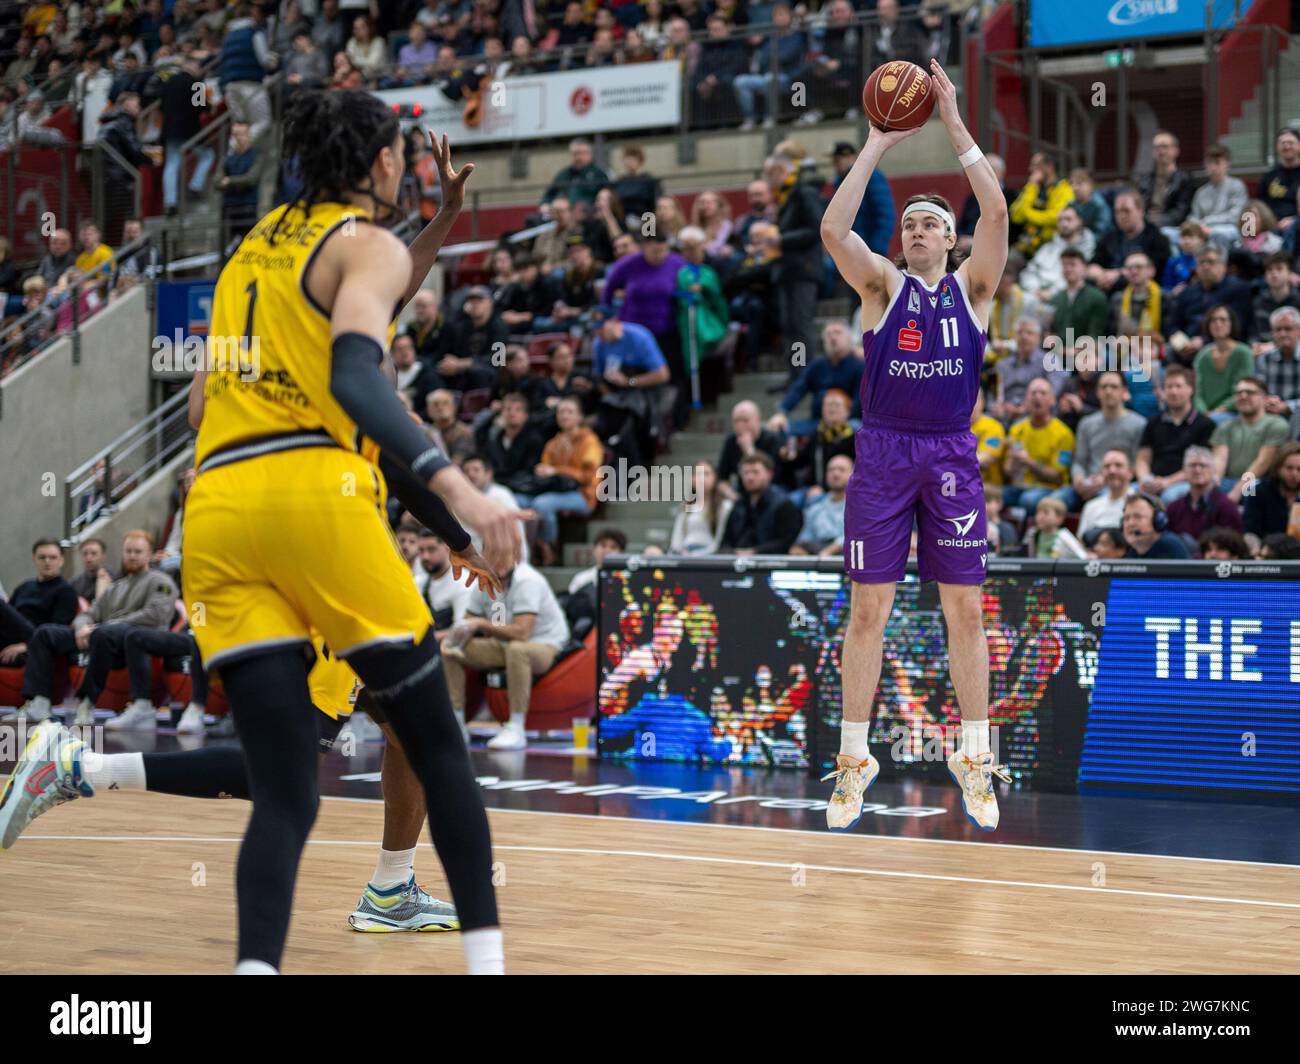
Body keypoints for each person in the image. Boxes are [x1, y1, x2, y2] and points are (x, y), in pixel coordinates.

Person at [164, 91, 519, 975]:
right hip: (318, 497)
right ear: (383, 163)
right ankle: (479, 957)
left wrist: (435, 225)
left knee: (283, 789)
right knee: (437, 741)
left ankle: (272, 958)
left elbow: (365, 287)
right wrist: (459, 497)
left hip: (216, 506)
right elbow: (362, 365)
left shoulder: (254, 248)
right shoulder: (361, 245)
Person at [821, 60, 1012, 830]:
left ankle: (973, 752)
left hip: (951, 455)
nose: (918, 230)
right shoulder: (880, 289)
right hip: (885, 454)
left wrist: (955, 126)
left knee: (965, 610)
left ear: (951, 238)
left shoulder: (974, 289)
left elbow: (996, 216)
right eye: (909, 225)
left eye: (931, 222)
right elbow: (835, 230)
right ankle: (853, 759)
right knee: (869, 611)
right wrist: (875, 141)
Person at [9, 530, 177, 727]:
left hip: (139, 639)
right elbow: (89, 613)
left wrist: (100, 627)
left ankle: (87, 703)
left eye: (138, 551)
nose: (132, 555)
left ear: (149, 555)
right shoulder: (117, 586)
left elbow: (154, 615)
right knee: (46, 632)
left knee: (102, 634)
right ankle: (39, 702)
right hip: (103, 636)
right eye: (128, 551)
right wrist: (82, 627)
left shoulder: (161, 582)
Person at [442, 559, 571, 751]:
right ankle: (457, 723)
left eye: (504, 554)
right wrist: (453, 638)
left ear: (515, 556)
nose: (499, 560)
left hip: (545, 645)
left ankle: (516, 727)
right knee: (454, 650)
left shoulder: (528, 580)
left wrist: (481, 624)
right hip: (504, 644)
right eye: (494, 554)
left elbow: (522, 633)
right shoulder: (482, 581)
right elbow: (468, 622)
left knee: (517, 649)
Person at [766, 149, 825, 386]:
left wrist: (781, 239)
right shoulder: (785, 196)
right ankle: (795, 375)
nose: (767, 181)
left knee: (800, 325)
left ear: (780, 171)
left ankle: (805, 376)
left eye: (769, 175)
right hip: (787, 271)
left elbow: (815, 228)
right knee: (789, 326)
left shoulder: (803, 193)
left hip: (803, 269)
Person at [1061, 371, 1146, 511]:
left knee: (1105, 497)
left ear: (1124, 392)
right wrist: (1079, 480)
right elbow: (1079, 461)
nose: (1108, 391)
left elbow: (1137, 464)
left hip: (1120, 482)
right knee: (1053, 502)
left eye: (1114, 387)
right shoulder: (1086, 423)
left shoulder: (1139, 424)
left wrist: (1105, 479)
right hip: (1088, 481)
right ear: (1097, 392)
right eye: (1104, 387)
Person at [1135, 365, 1215, 503]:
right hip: (1154, 480)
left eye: (1178, 386)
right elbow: (1142, 458)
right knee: (1129, 495)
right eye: (1169, 387)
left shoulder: (1205, 424)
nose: (1173, 391)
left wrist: (1167, 482)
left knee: (1169, 497)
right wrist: (1145, 479)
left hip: (1185, 482)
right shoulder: (1153, 423)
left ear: (1190, 389)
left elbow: (1200, 466)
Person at [1211, 376, 1290, 504]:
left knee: (1252, 493)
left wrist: (1236, 492)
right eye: (1239, 393)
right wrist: (1213, 487)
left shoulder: (1276, 424)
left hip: (1257, 482)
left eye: (1250, 392)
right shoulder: (1225, 426)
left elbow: (1263, 462)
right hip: (1227, 481)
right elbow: (1219, 459)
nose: (1243, 396)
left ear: (1264, 398)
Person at [0, 540, 77, 669]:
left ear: (61, 560)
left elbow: (57, 630)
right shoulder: (25, 586)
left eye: (52, 557)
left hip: (38, 636)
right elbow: (8, 620)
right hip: (12, 636)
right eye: (42, 557)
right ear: (34, 559)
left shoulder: (66, 590)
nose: (47, 561)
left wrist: (27, 645)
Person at [719, 452, 802, 554]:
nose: (750, 477)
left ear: (769, 474)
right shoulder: (739, 505)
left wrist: (754, 551)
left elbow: (786, 542)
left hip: (770, 564)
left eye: (755, 472)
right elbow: (725, 541)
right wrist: (732, 552)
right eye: (746, 473)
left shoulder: (784, 505)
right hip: (736, 562)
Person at [1165, 445, 1244, 541]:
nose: (1197, 470)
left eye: (1203, 465)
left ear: (1213, 470)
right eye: (1192, 465)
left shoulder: (1226, 507)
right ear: (1184, 471)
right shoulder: (1173, 508)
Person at [1192, 305, 1255, 418]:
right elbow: (1198, 394)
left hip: (1235, 412)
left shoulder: (1244, 353)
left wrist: (1220, 410)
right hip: (1205, 414)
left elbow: (1244, 390)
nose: (1218, 324)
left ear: (1232, 323)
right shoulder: (1202, 356)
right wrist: (1204, 413)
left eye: (1223, 320)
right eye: (1213, 320)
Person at [1009, 150, 1073, 257]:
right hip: (1026, 245)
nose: (1031, 169)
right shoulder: (1032, 187)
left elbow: (1055, 217)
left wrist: (1027, 214)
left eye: (1036, 166)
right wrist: (1032, 186)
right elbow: (1016, 216)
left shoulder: (1064, 189)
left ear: (1050, 166)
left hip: (1050, 245)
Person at [790, 454, 853, 556]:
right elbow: (806, 538)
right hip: (820, 563)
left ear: (853, 474)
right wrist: (799, 549)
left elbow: (859, 537)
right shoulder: (815, 507)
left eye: (842, 470)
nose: (836, 474)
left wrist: (832, 549)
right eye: (831, 470)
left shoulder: (862, 507)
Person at [1189, 143, 1249, 249]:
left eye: (1217, 163)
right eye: (1209, 163)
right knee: (1172, 234)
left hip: (1230, 229)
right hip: (1202, 229)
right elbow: (1194, 215)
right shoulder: (1201, 192)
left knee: (1216, 234)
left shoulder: (1237, 186)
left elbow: (1235, 216)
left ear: (1227, 164)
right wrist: (1195, 226)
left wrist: (1207, 222)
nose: (1212, 167)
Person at [669, 461, 733, 555]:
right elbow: (677, 537)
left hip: (708, 554)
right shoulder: (686, 505)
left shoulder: (724, 506)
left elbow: (720, 540)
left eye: (706, 474)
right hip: (685, 552)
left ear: (715, 478)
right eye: (698, 474)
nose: (702, 479)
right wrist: (676, 552)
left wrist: (698, 554)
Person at [1242, 441, 1300, 538]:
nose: (1294, 474)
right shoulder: (1260, 492)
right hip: (1267, 548)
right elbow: (1250, 531)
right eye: (1289, 468)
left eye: (1299, 469)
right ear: (1278, 468)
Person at [1077, 449, 1135, 538]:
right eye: (1107, 466)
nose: (1112, 470)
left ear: (1130, 472)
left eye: (1118, 465)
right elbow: (1081, 542)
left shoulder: (1140, 504)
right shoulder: (1091, 506)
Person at [1121, 493, 1192, 558]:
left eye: (1138, 517)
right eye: (1126, 518)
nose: (1130, 523)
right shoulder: (1132, 553)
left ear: (1158, 520)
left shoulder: (1169, 546)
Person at [1258, 128, 1300, 232]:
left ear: (1299, 146)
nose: (1286, 146)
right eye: (1282, 143)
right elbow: (1261, 207)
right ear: (1277, 147)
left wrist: (1294, 220)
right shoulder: (1268, 177)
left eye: (1290, 143)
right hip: (1271, 226)